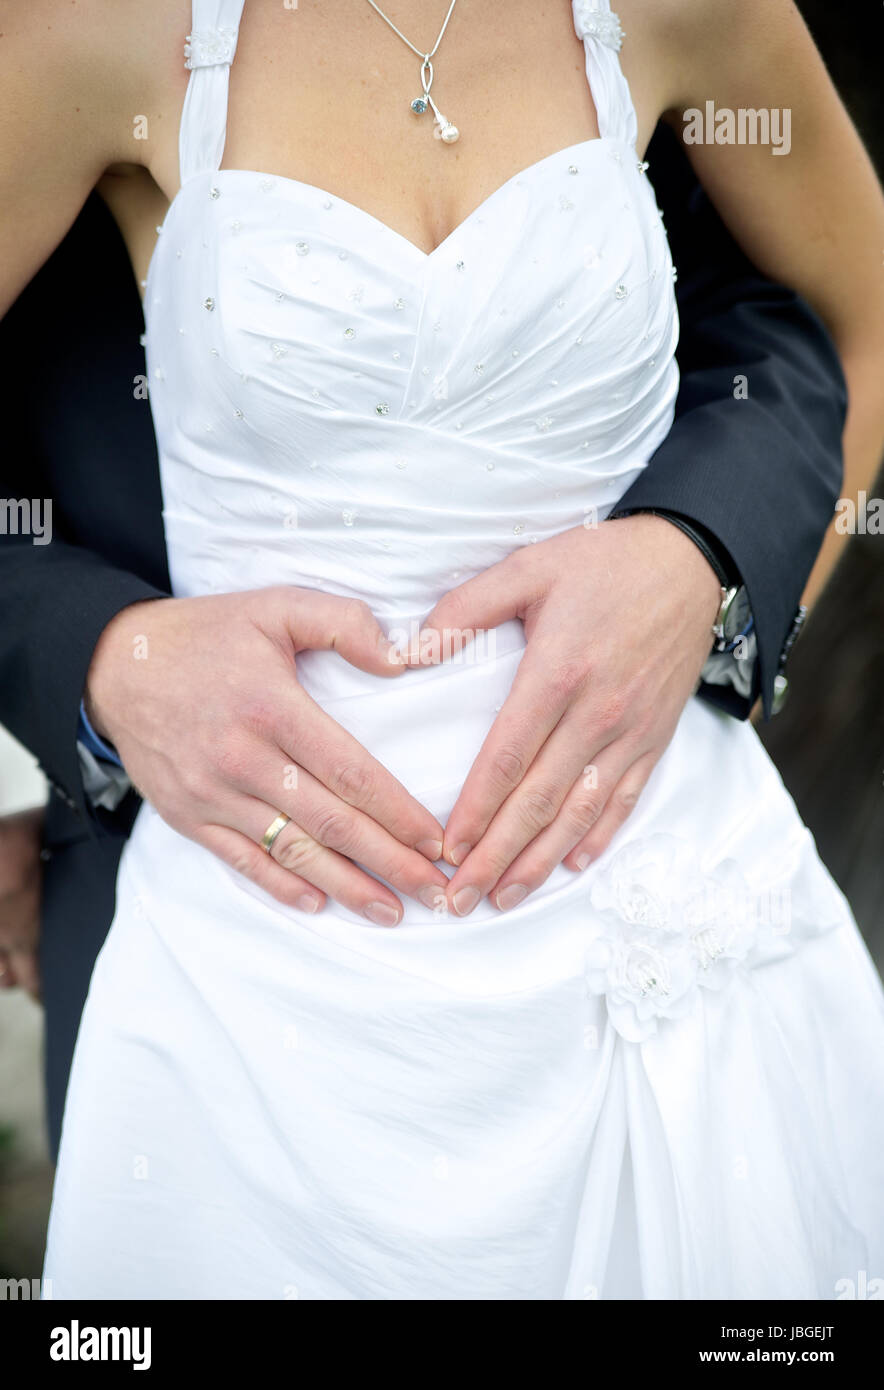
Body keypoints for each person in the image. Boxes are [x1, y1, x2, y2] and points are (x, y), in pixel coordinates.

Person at [1, 0, 883, 1298]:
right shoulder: (103, 28)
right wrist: (114, 658)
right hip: (258, 977)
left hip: (668, 938)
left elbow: (853, 321)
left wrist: (721, 599)